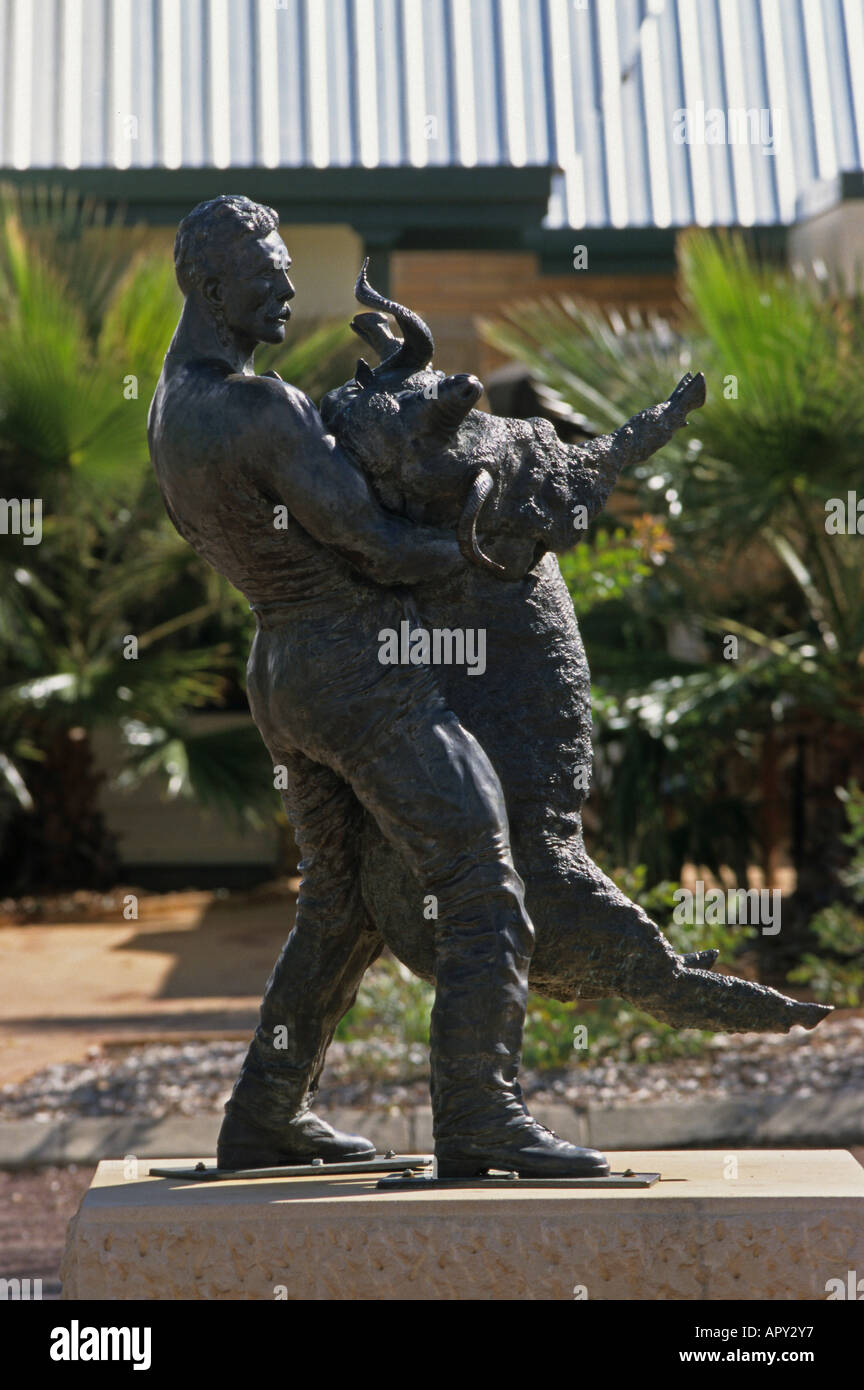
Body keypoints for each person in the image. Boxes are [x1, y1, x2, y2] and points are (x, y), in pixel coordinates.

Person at [148, 195, 609, 1179]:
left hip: (279, 668)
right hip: (360, 673)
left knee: (340, 905)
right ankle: (482, 1113)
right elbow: (376, 544)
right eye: (265, 277)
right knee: (483, 878)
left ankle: (264, 1113)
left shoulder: (171, 406)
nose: (286, 291)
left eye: (288, 271)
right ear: (207, 284)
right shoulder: (262, 408)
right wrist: (491, 541)